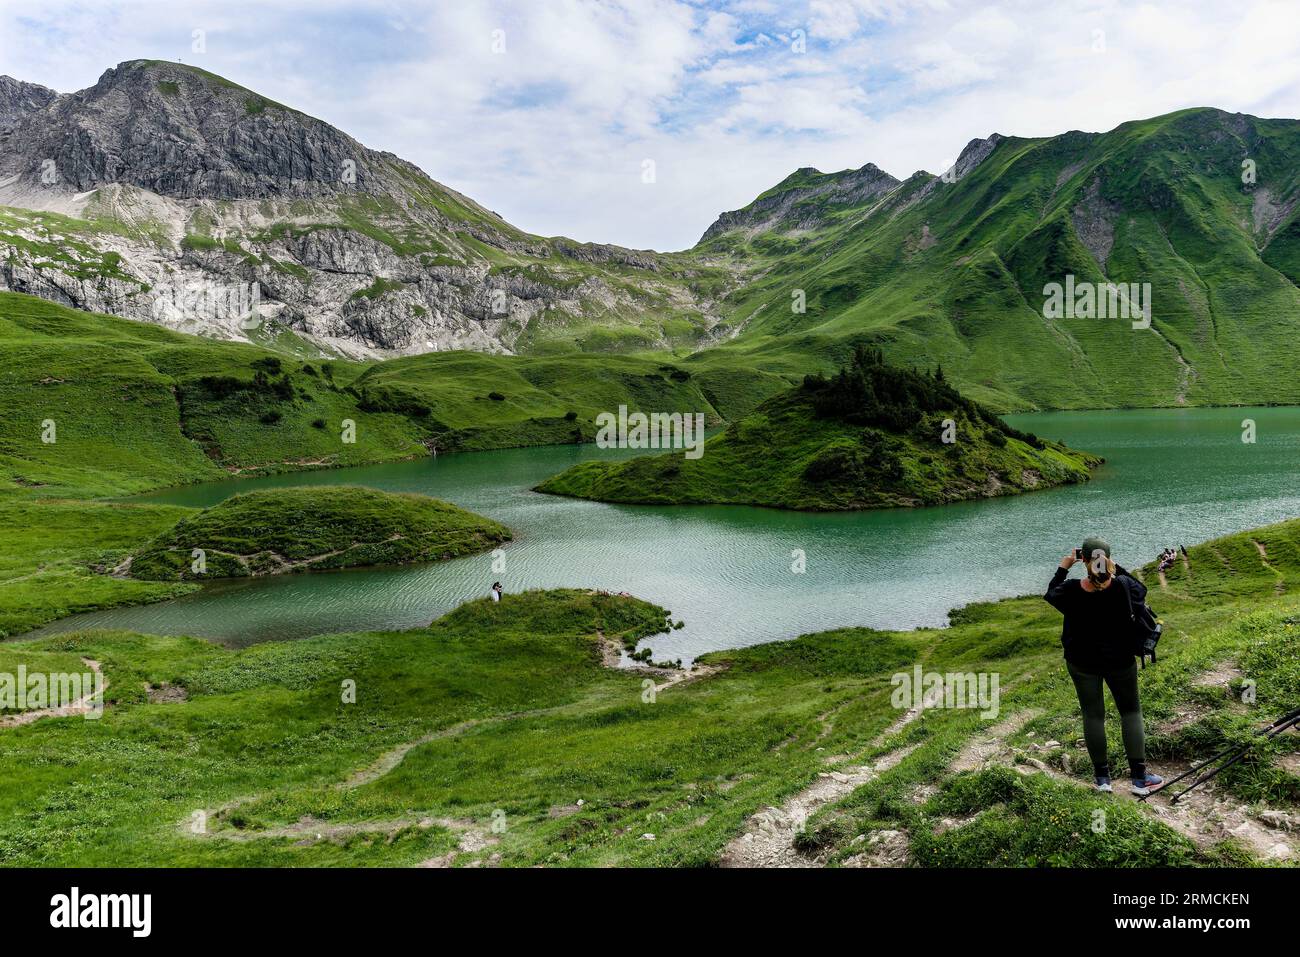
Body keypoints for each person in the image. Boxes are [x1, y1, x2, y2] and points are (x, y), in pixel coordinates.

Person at [1044, 536, 1164, 796]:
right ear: (1108, 559)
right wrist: (1114, 568)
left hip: (1082, 662)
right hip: (1120, 660)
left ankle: (1102, 780)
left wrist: (1064, 567)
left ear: (1083, 560)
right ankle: (1140, 779)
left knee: (1093, 715)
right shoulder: (1122, 586)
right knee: (1130, 712)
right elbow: (1140, 589)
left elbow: (1051, 593)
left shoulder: (1071, 590)